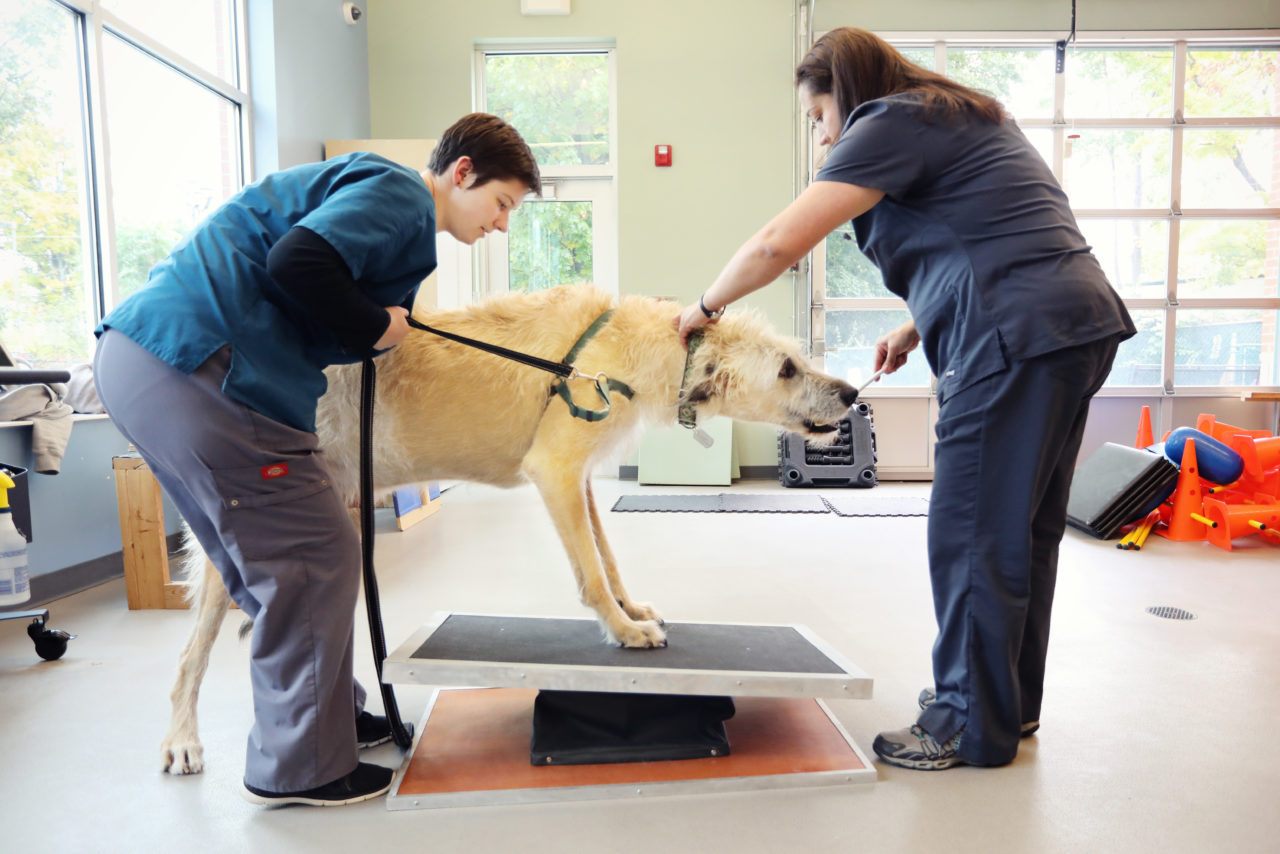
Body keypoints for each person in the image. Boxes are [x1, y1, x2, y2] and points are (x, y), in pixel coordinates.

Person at [676, 27, 1135, 770]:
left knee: (972, 534)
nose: (822, 136)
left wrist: (702, 307)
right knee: (1024, 531)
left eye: (817, 115)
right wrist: (919, 323)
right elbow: (996, 232)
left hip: (1010, 337)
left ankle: (964, 722)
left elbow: (776, 245)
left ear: (845, 94)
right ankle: (1005, 707)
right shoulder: (961, 114)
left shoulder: (886, 121)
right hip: (1078, 325)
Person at [94, 113, 540, 804]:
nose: (502, 223)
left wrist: (379, 326)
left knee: (290, 557)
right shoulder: (400, 195)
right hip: (198, 367)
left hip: (149, 362)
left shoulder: (378, 199)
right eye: (503, 203)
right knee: (314, 553)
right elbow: (297, 262)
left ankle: (331, 720)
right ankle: (303, 767)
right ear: (462, 173)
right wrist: (377, 325)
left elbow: (309, 278)